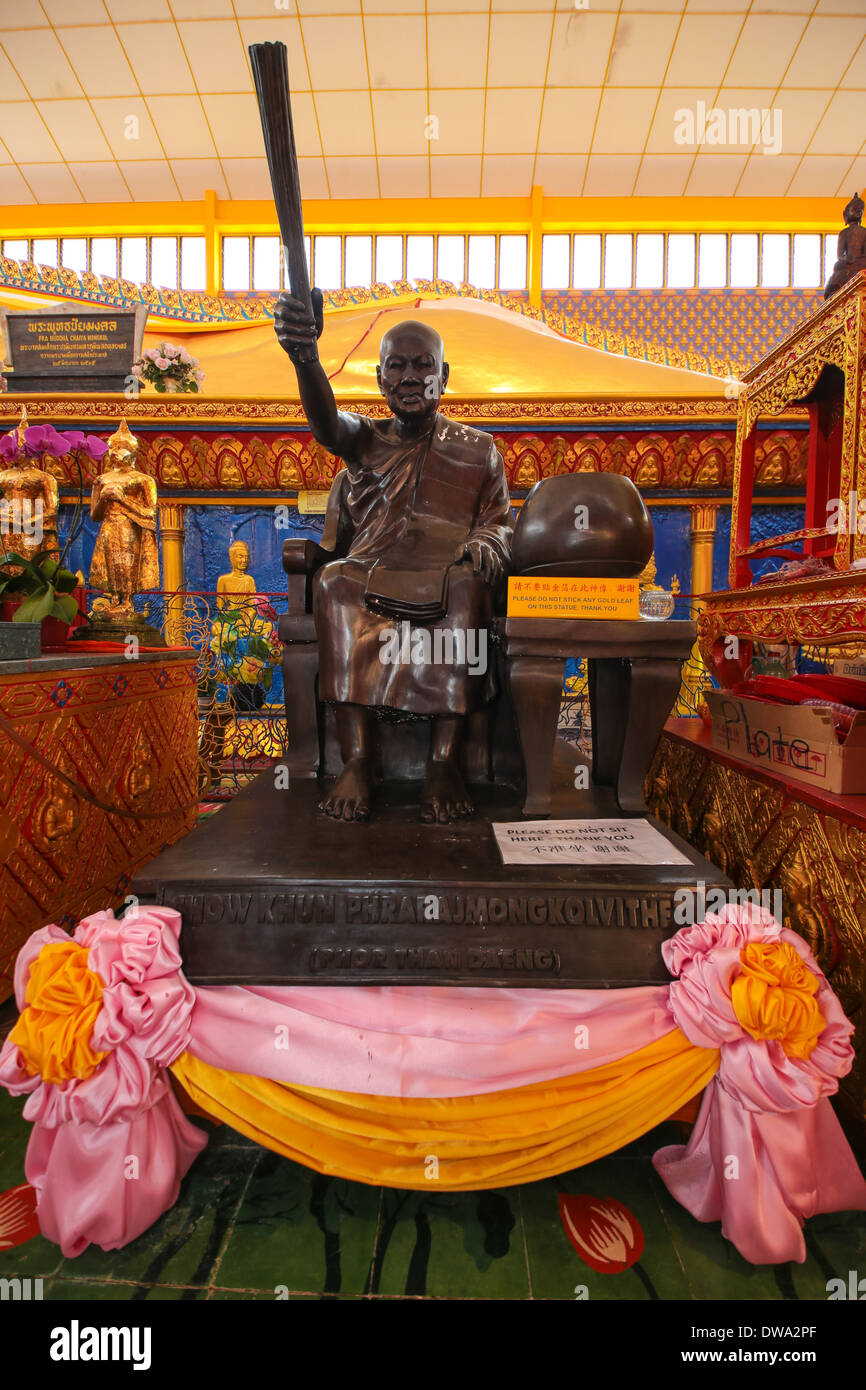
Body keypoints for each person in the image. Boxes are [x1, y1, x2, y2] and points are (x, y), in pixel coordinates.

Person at [275, 287, 513, 823]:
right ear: (381, 379)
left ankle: (443, 762)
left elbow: (501, 525)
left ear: (444, 375)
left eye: (422, 366)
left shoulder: (478, 451)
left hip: (447, 573)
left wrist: (484, 545)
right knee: (335, 582)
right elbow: (326, 425)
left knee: (468, 586)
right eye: (397, 366)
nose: (409, 377)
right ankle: (358, 761)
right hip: (372, 569)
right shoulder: (366, 438)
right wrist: (306, 355)